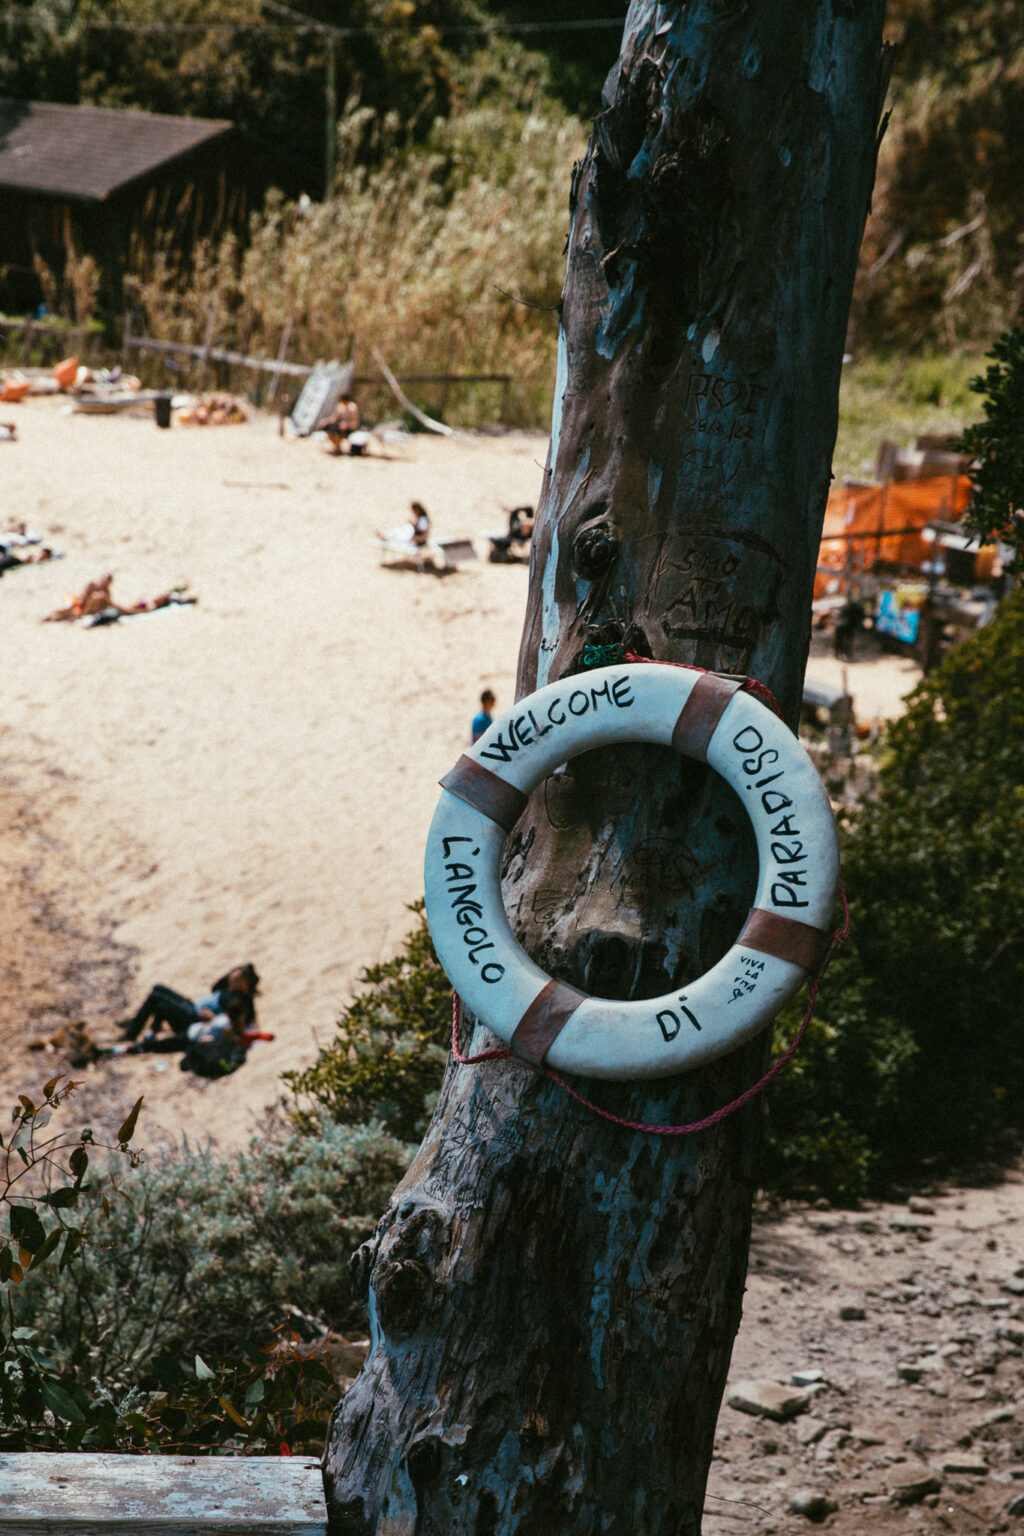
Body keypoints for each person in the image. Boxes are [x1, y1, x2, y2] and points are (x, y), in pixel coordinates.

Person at [117, 963, 259, 1040]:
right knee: (158, 989)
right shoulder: (229, 988)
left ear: (244, 984)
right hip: (191, 1007)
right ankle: (140, 1022)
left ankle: (132, 1032)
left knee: (158, 1000)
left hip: (194, 1020)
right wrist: (241, 970)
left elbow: (237, 1025)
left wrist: (213, 1019)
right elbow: (215, 986)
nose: (230, 979)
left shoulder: (240, 1001)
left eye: (236, 979)